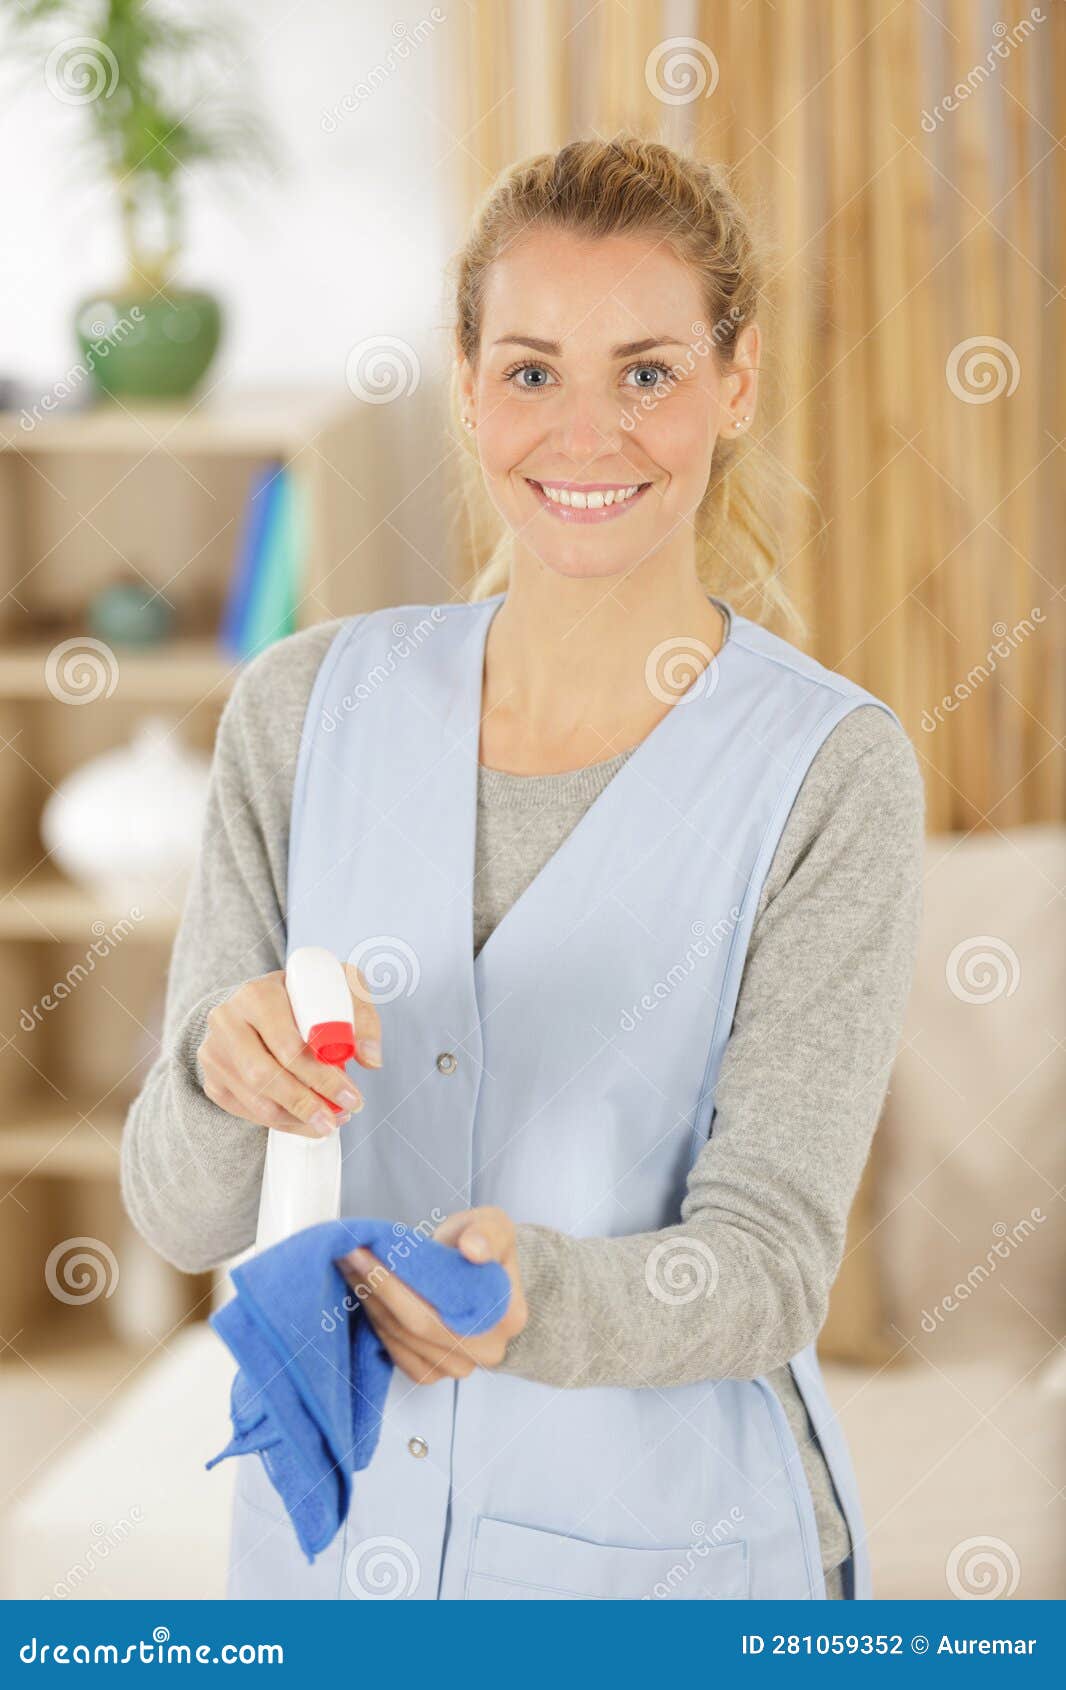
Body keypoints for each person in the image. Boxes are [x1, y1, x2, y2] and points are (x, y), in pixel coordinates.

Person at [121, 133, 924, 1601]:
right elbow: (183, 1217)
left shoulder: (828, 771)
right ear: (468, 383)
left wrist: (530, 1301)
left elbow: (766, 1265)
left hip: (666, 1574)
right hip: (331, 1569)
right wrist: (219, 1074)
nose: (587, 432)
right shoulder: (301, 712)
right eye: (534, 370)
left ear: (736, 381)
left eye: (649, 371)